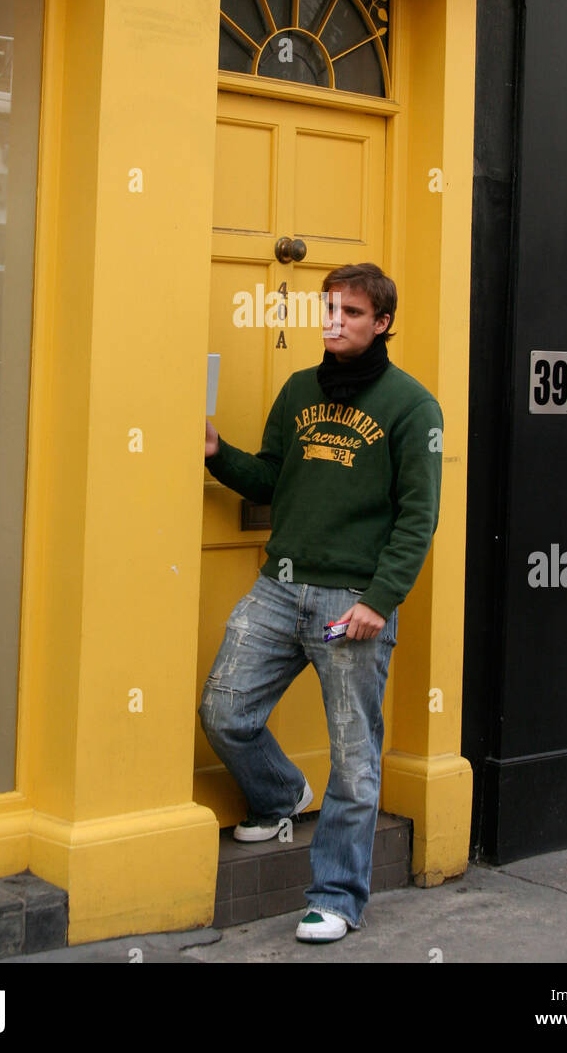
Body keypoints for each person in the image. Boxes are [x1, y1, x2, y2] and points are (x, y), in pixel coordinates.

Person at [199, 262, 442, 942]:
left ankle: (336, 895)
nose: (336, 321)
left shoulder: (412, 405)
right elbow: (273, 478)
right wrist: (218, 454)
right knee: (224, 708)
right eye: (329, 308)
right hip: (280, 585)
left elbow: (418, 516)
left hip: (352, 602)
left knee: (355, 755)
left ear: (383, 322)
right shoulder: (299, 389)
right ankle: (280, 795)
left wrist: (380, 599)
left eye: (353, 312)